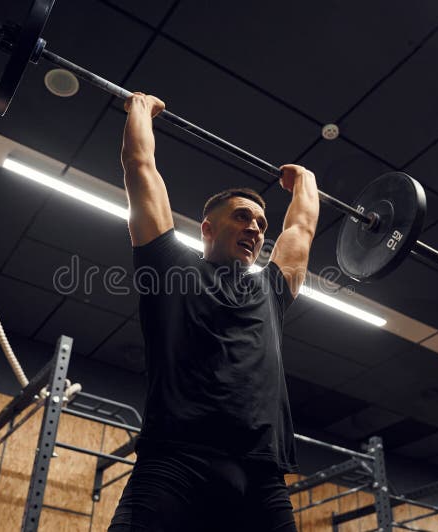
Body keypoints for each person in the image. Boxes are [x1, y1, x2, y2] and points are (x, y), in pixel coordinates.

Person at [108, 92, 319, 532]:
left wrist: (305, 180)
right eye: (243, 217)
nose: (256, 230)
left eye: (261, 224)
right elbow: (140, 169)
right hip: (174, 461)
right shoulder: (168, 265)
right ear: (208, 228)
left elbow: (301, 227)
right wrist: (141, 110)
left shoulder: (272, 289)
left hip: (261, 475)